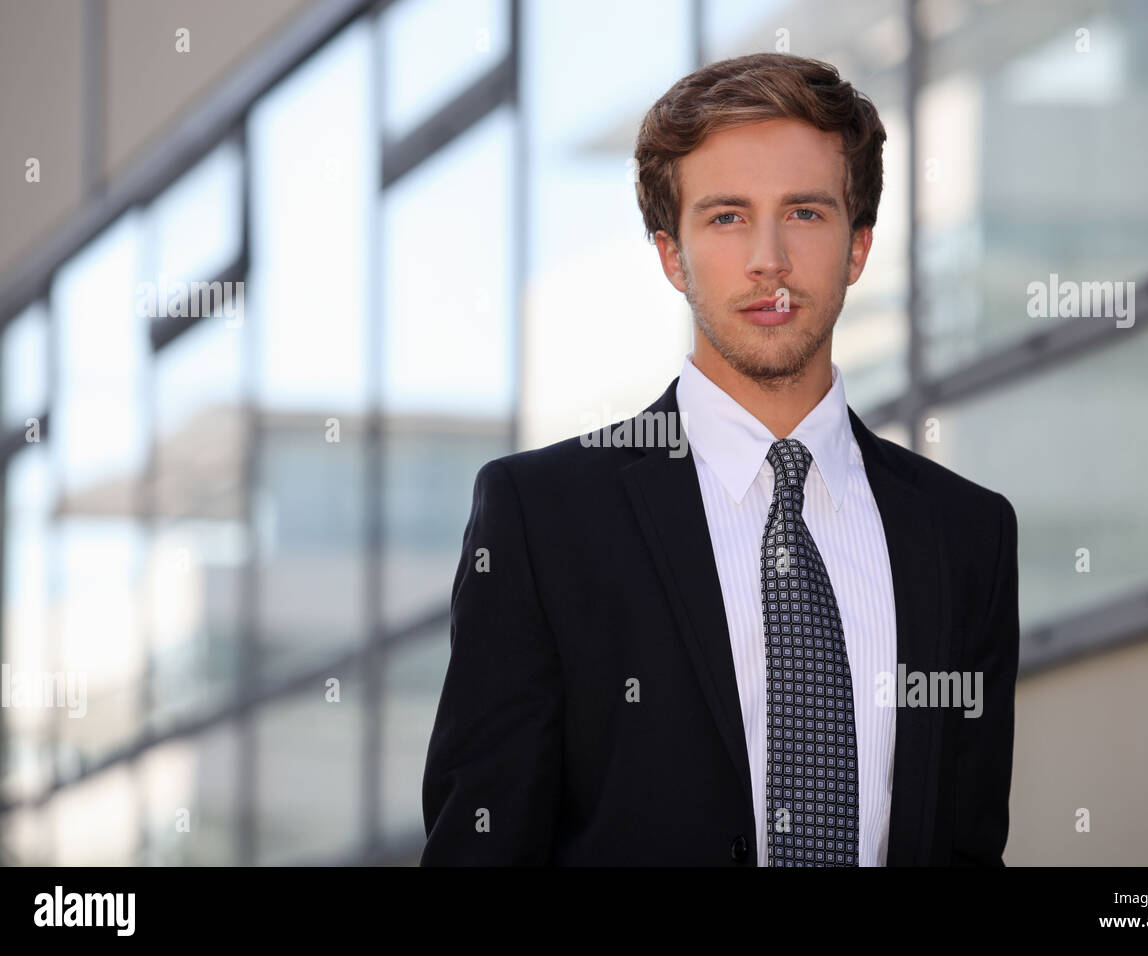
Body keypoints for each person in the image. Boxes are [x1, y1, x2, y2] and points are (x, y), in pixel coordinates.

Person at [421, 52, 1018, 866]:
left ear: (858, 247)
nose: (768, 257)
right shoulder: (542, 517)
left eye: (805, 213)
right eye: (727, 217)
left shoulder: (967, 535)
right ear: (672, 254)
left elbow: (967, 844)